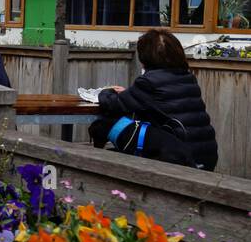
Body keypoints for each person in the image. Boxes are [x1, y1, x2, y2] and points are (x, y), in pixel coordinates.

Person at [90, 28, 218, 171]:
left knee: (108, 123)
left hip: (178, 158)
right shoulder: (188, 78)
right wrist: (129, 93)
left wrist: (107, 91)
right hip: (206, 156)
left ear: (146, 58)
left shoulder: (148, 82)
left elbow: (113, 104)